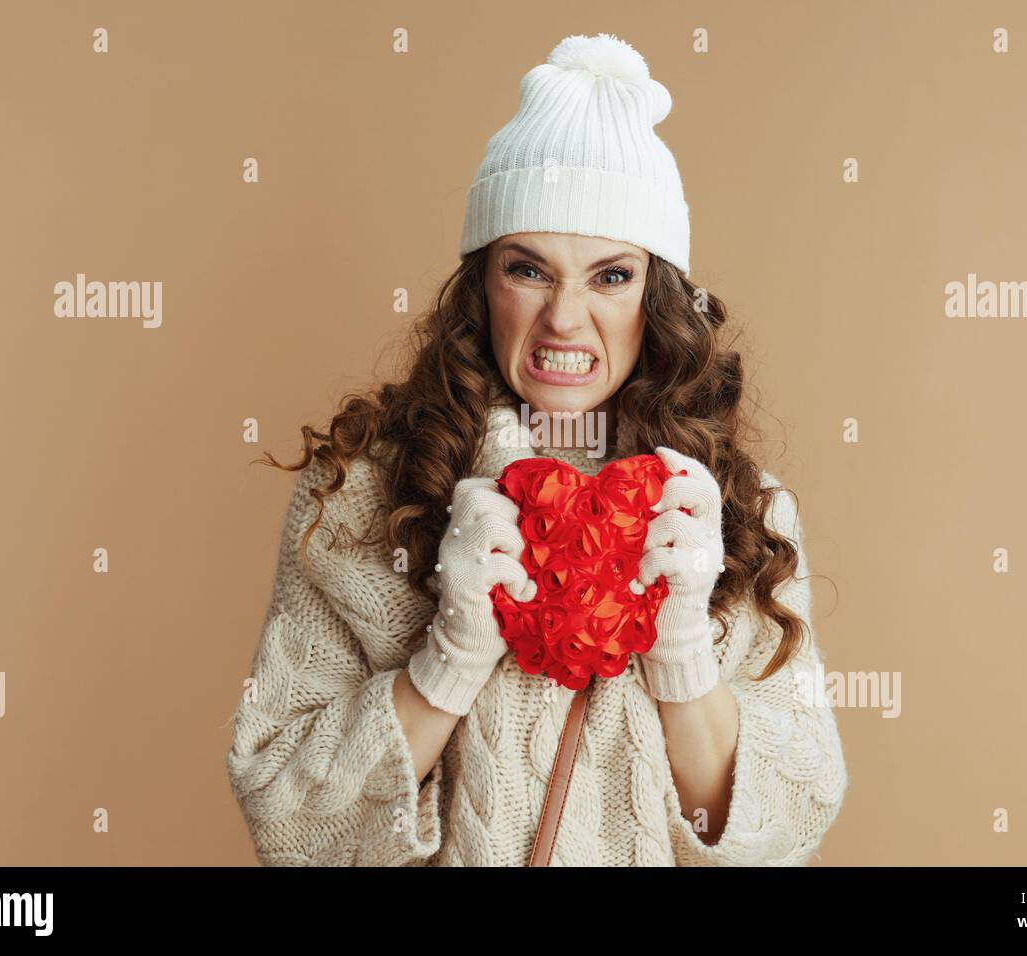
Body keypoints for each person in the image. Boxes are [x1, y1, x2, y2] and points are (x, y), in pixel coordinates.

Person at [225, 32, 847, 866]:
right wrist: (446, 660)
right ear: (482, 284)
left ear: (656, 296)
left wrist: (683, 653)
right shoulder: (358, 502)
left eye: (611, 275)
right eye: (530, 269)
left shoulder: (736, 513)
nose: (564, 317)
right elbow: (290, 828)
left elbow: (787, 832)